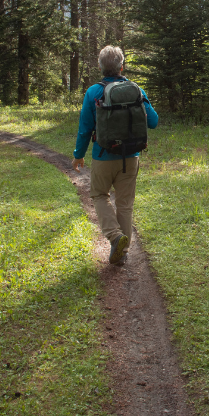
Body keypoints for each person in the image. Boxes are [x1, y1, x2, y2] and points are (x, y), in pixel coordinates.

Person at [72, 45, 159, 265]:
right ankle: (124, 249)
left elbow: (85, 128)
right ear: (122, 66)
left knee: (99, 195)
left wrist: (78, 155)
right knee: (125, 204)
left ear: (101, 67)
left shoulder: (93, 92)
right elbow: (154, 121)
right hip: (131, 156)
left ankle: (115, 236)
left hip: (103, 156)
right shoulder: (136, 89)